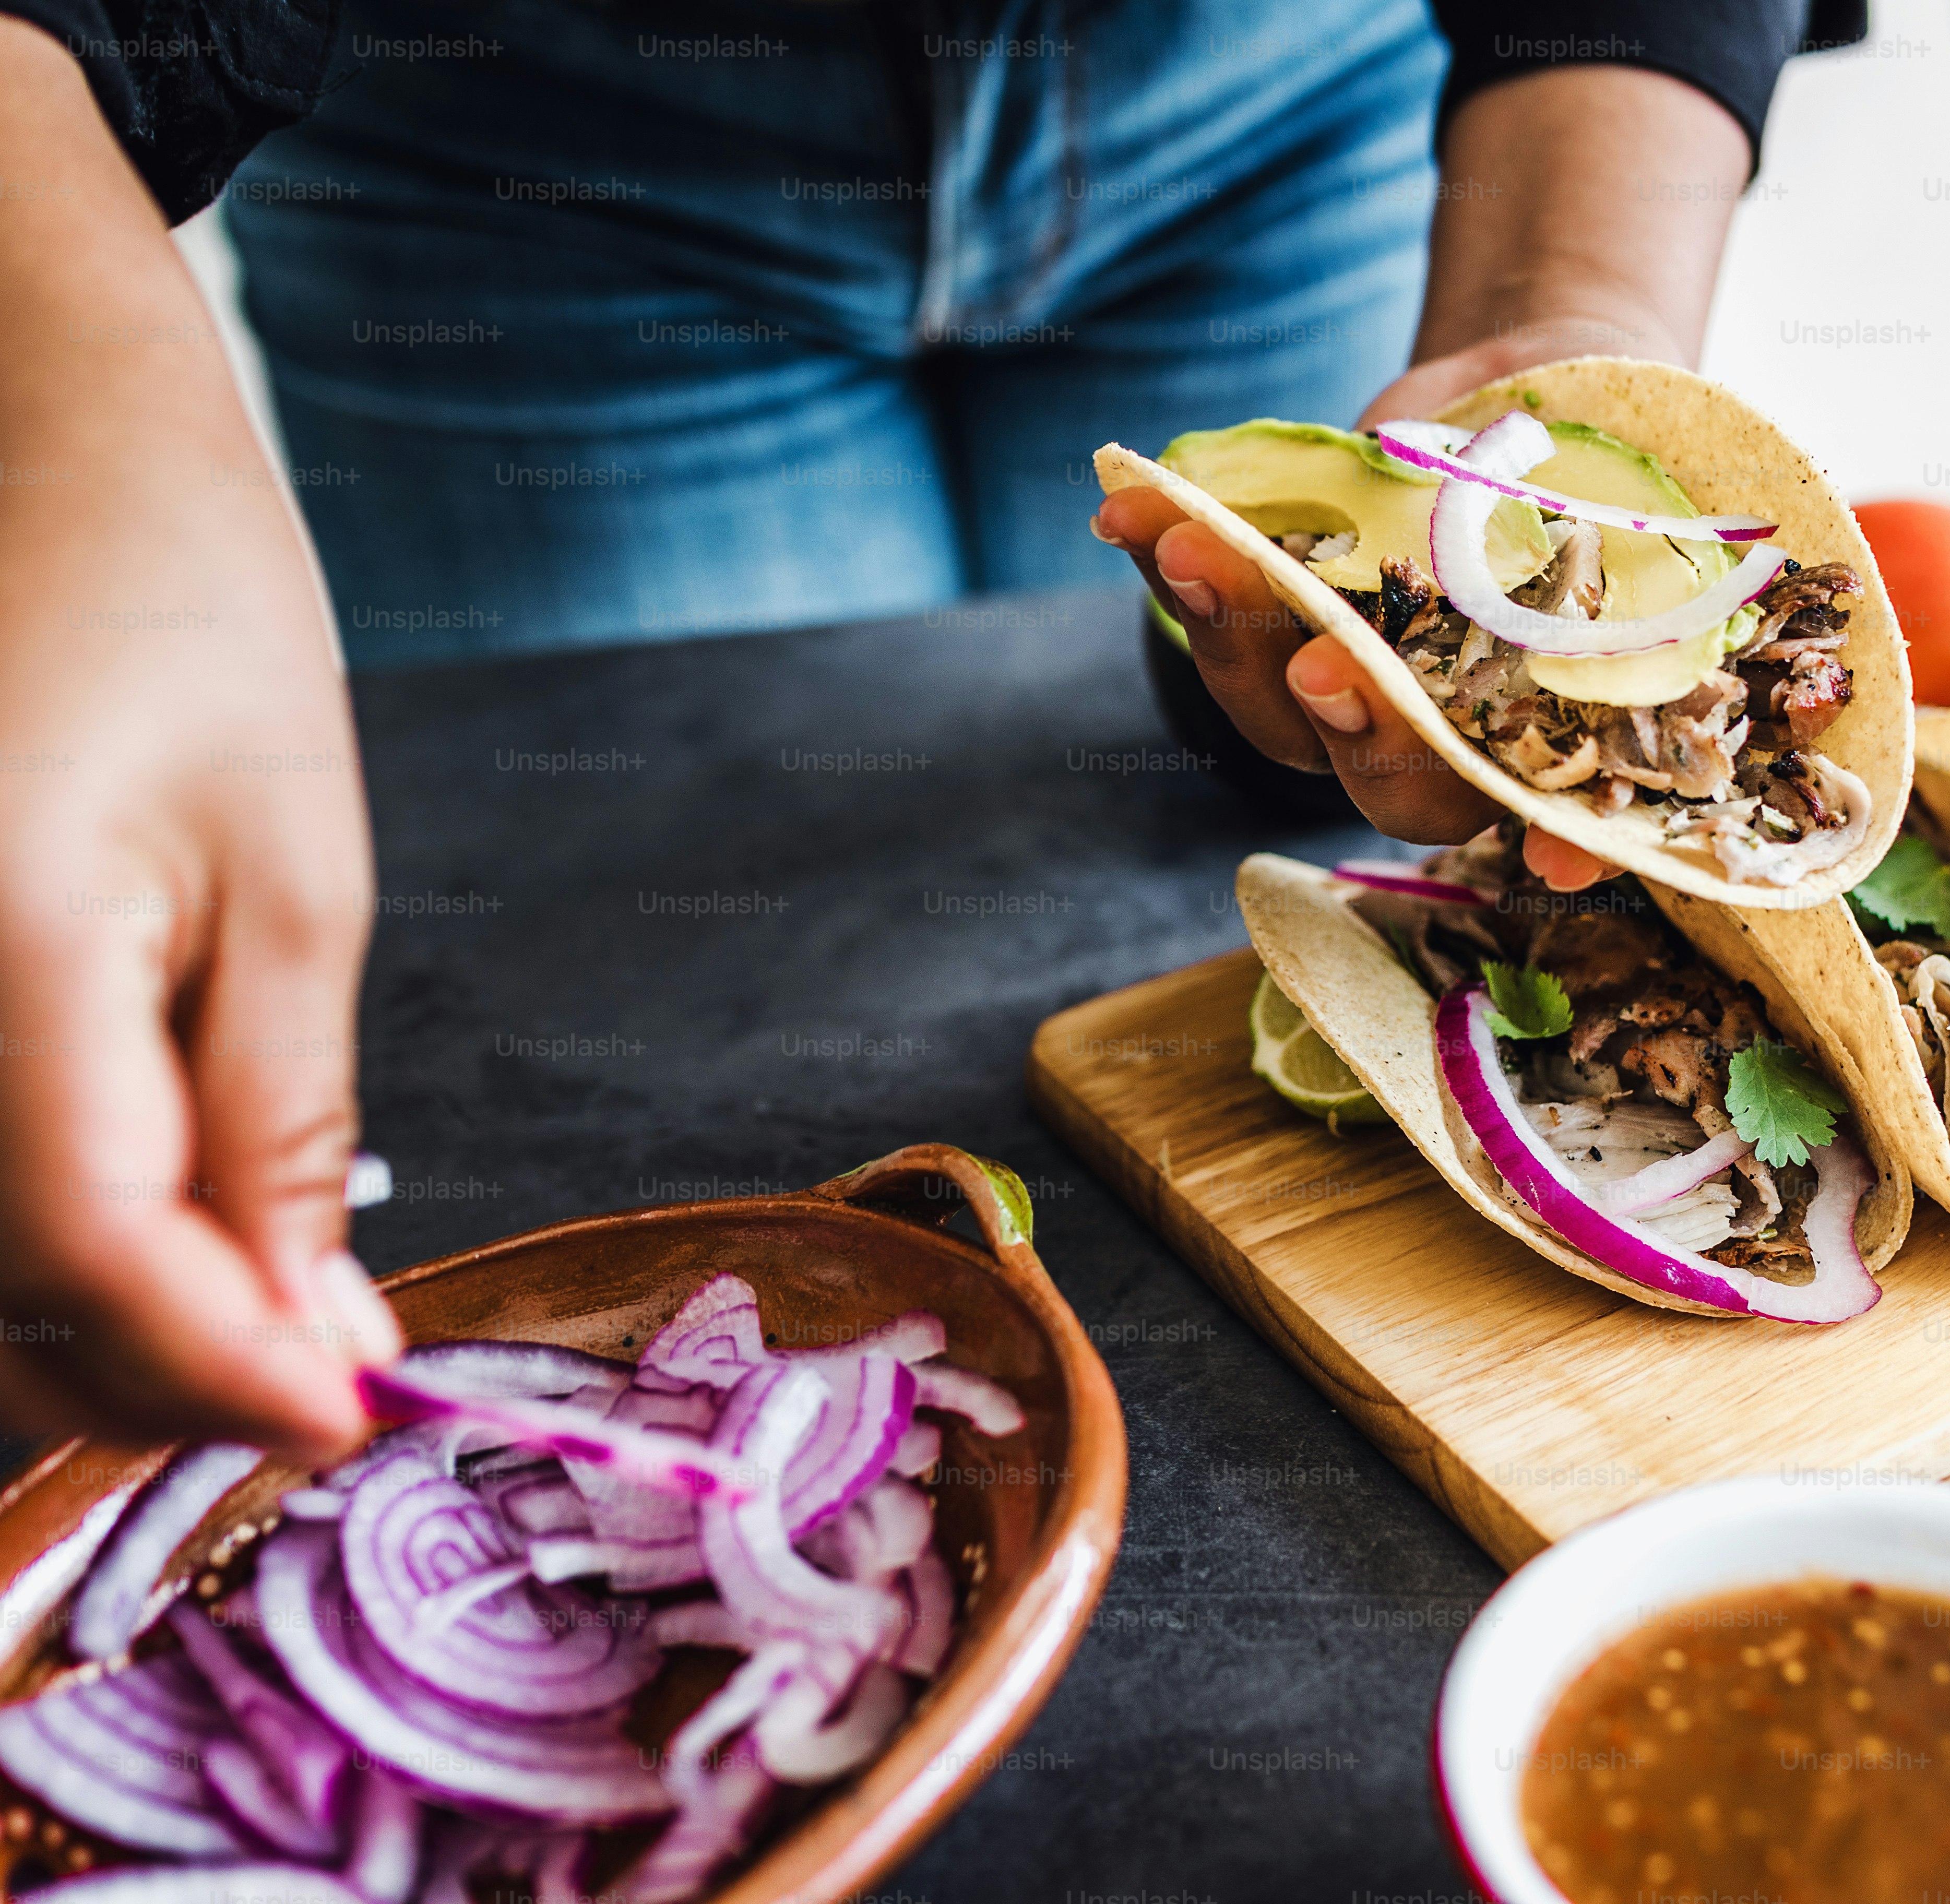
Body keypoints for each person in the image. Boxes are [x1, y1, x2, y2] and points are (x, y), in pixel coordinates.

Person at [0, 0, 1857, 1459]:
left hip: (1295, 89)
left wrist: (1567, 302)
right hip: (528, 161)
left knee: (1233, 764)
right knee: (672, 996)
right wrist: (61, 360)